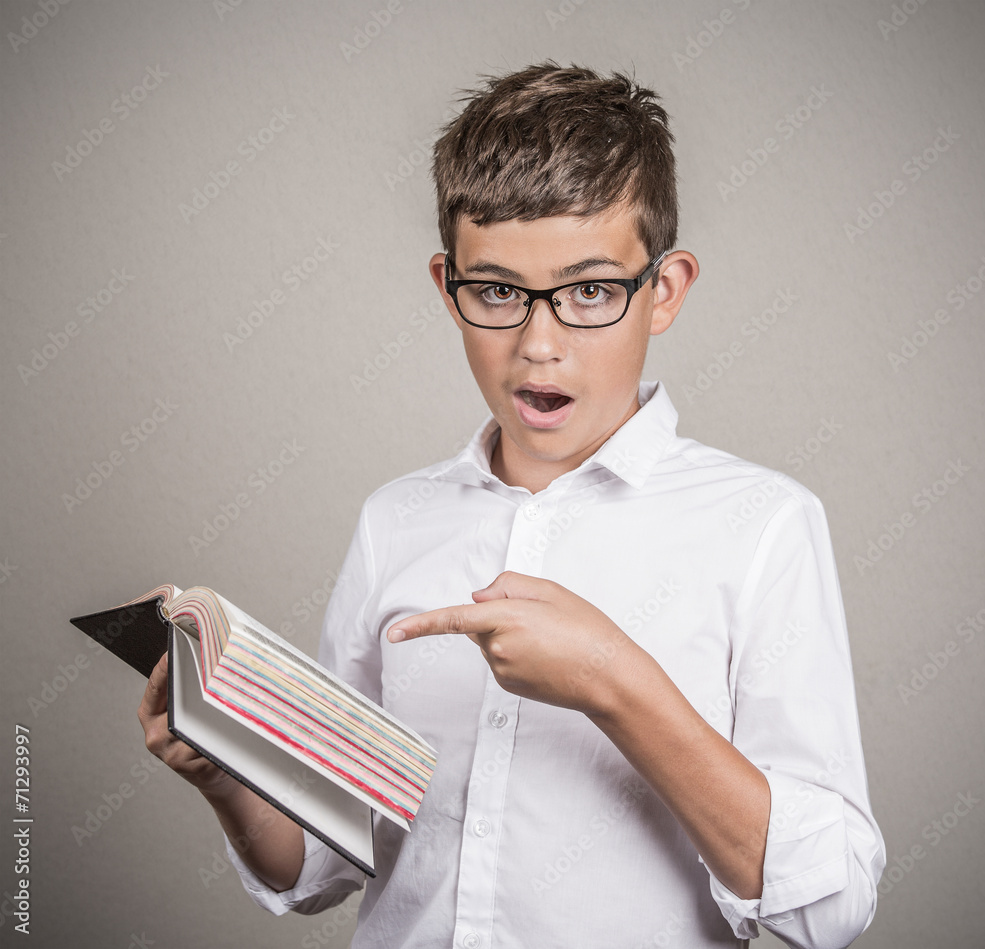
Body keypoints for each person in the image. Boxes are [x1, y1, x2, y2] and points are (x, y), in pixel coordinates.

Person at [139, 62, 885, 948]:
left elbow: (828, 910)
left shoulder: (763, 526)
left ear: (667, 289)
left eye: (591, 291)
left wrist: (615, 680)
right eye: (497, 291)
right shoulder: (397, 520)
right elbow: (325, 863)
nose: (538, 346)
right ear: (446, 285)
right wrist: (227, 774)